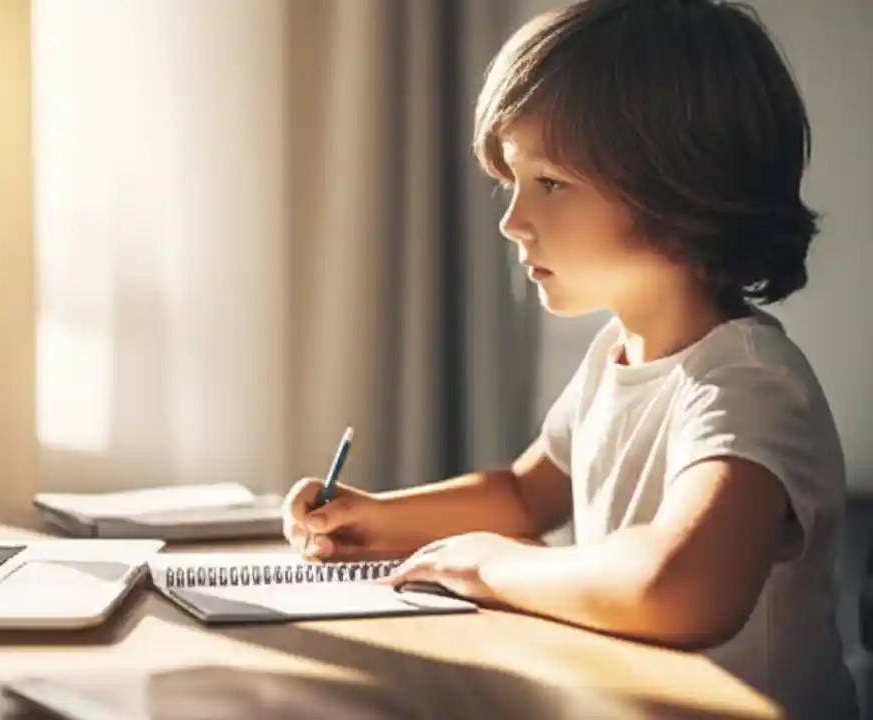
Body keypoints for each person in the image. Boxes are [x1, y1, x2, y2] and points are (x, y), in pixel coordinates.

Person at [282, 1, 857, 715]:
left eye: (550, 184)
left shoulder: (747, 383)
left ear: (684, 186)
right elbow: (527, 495)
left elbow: (679, 587)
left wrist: (495, 564)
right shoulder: (614, 355)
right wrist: (373, 518)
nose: (511, 220)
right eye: (510, 184)